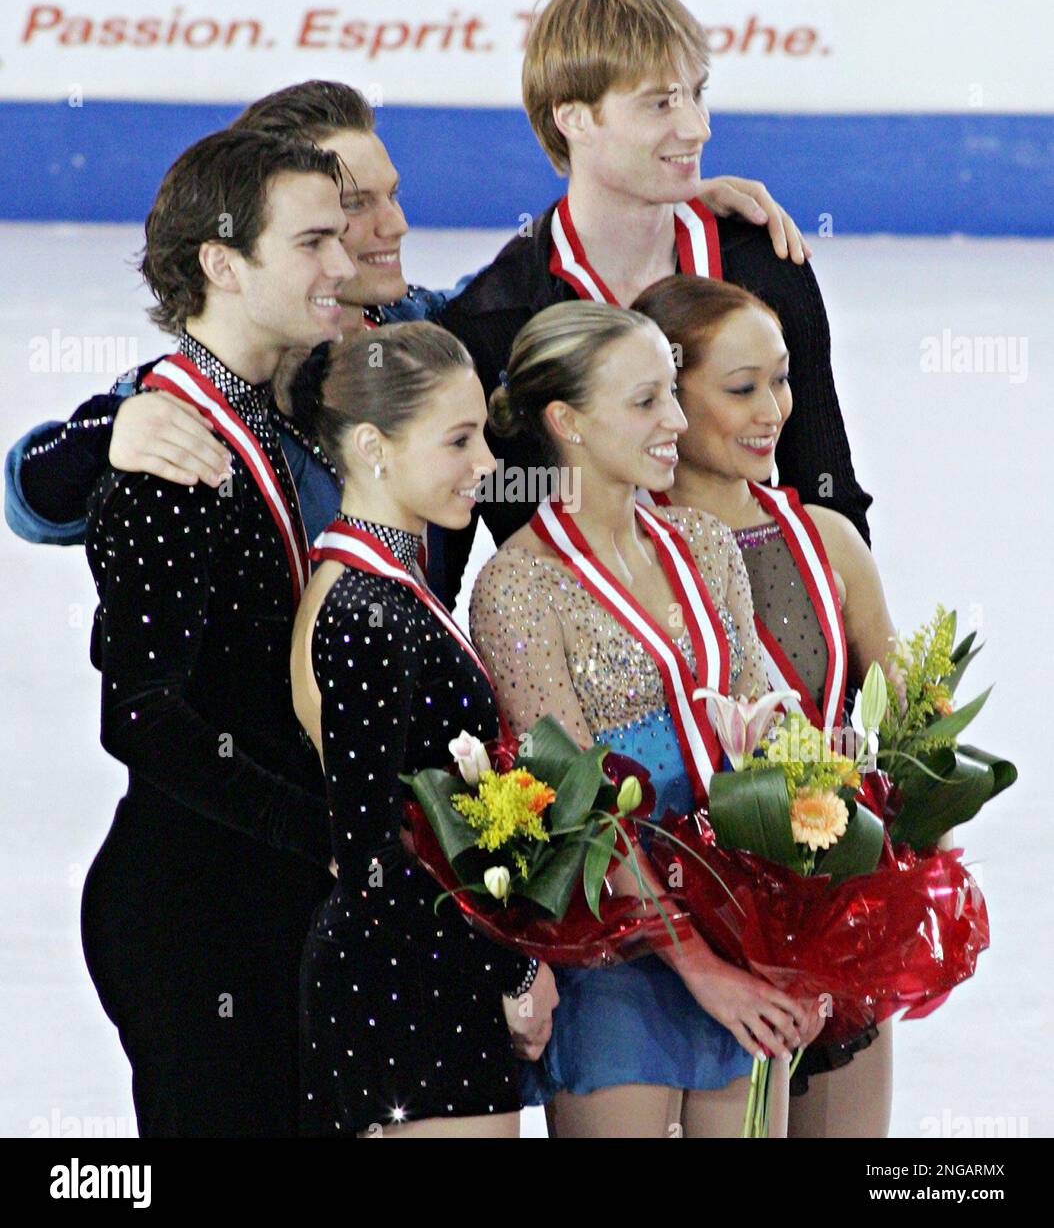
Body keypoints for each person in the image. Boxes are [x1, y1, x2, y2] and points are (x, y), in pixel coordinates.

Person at [4, 77, 794, 556]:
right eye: (354, 208)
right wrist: (112, 434)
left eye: (394, 194)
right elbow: (30, 496)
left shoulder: (435, 337)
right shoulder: (197, 392)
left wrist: (658, 209)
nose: (396, 226)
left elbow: (554, 302)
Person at [469, 303, 825, 1138]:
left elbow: (768, 740)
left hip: (741, 924)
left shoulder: (704, 544)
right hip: (617, 943)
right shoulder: (517, 587)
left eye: (672, 392)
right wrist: (700, 970)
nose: (676, 420)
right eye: (645, 401)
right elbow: (577, 802)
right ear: (568, 423)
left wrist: (799, 938)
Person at [439, 0, 871, 610]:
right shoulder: (494, 325)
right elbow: (439, 572)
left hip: (774, 666)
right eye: (660, 102)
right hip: (583, 687)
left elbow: (827, 497)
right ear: (575, 118)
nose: (697, 128)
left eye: (697, 94)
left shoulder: (764, 268)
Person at [80, 128, 355, 1135]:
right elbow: (143, 717)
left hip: (276, 894)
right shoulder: (172, 450)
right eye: (314, 242)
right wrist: (326, 834)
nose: (344, 261)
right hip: (199, 909)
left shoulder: (282, 417)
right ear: (222, 264)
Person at [632, 275, 901, 1137]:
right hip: (689, 950)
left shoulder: (829, 541)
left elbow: (903, 731)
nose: (773, 410)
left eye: (781, 380)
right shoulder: (624, 559)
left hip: (833, 928)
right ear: (666, 401)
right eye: (741, 388)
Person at [289, 322, 558, 1137]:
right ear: (374, 446)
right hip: (405, 986)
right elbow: (371, 850)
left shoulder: (390, 585)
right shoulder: (366, 608)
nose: (486, 465)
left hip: (425, 970)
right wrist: (513, 972)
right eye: (459, 440)